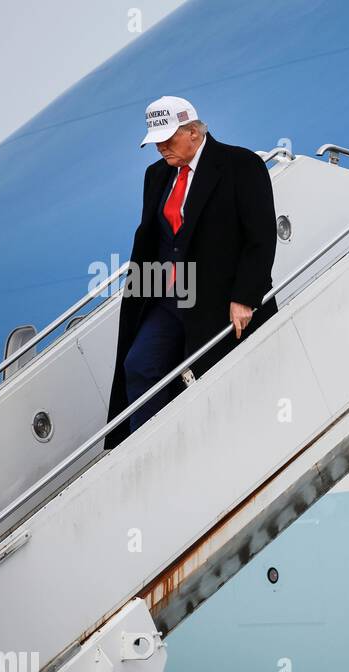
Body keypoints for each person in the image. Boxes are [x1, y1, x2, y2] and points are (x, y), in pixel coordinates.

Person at [104, 95, 277, 448]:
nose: (161, 148)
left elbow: (260, 236)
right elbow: (153, 239)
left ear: (194, 132)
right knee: (139, 365)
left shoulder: (240, 165)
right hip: (168, 296)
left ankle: (202, 449)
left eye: (168, 139)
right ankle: (150, 450)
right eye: (156, 142)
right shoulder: (156, 176)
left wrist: (245, 297)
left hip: (218, 298)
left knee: (204, 375)